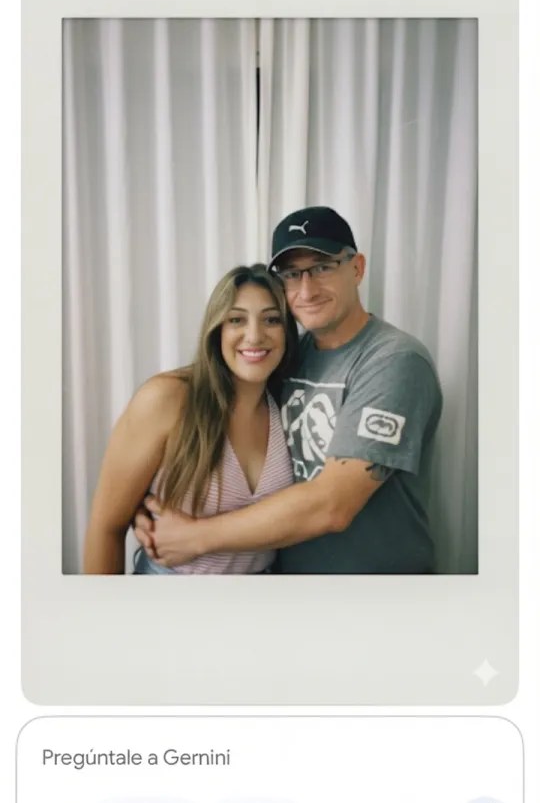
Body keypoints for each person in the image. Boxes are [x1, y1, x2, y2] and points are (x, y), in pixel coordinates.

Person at [134, 206, 443, 574]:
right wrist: (150, 511)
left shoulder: (394, 361)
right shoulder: (285, 356)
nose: (307, 290)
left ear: (357, 268)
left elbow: (333, 505)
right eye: (292, 274)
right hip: (286, 585)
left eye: (323, 267)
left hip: (375, 589)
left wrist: (194, 537)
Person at [83, 264, 298, 574]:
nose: (254, 335)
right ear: (217, 329)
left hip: (261, 593)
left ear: (287, 332)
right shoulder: (167, 399)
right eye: (236, 319)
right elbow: (106, 527)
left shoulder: (290, 402)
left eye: (272, 319)